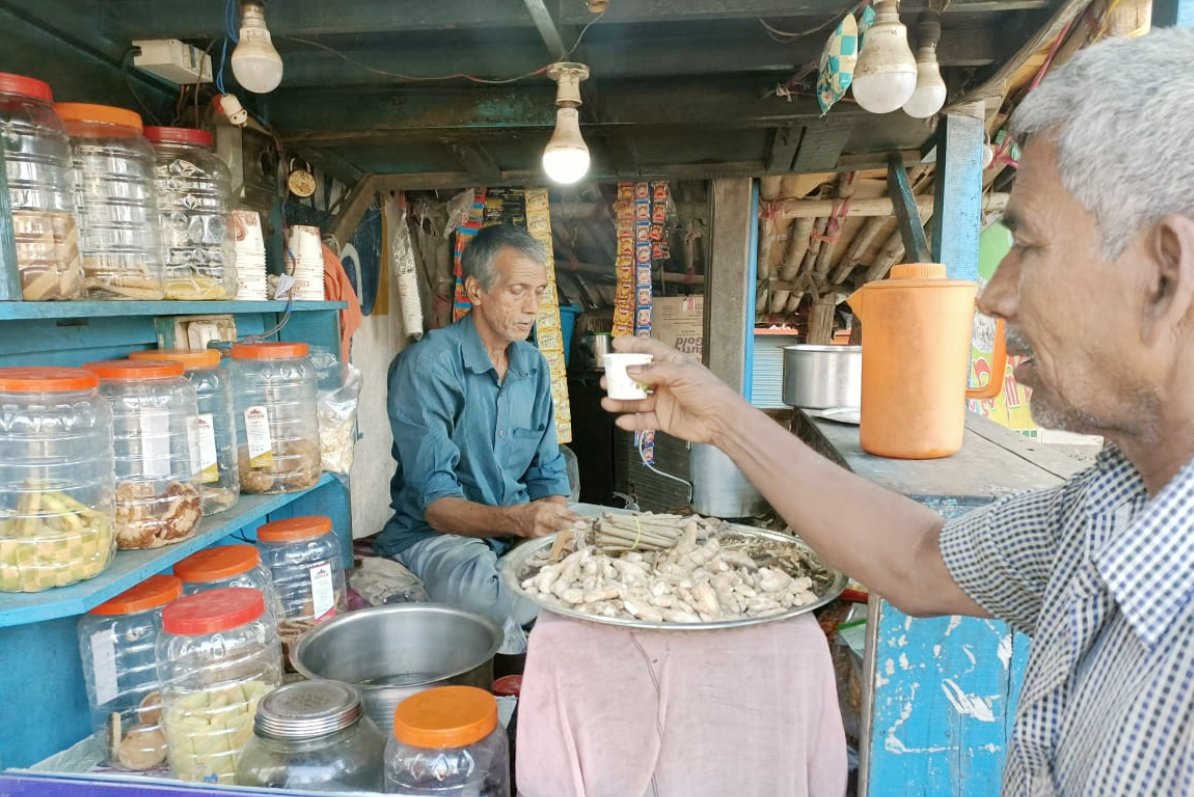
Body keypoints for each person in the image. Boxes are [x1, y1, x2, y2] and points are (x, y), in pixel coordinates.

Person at [604, 29, 1194, 797]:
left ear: (1165, 277)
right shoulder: (1104, 508)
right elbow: (916, 558)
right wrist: (720, 415)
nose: (995, 292)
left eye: (1029, 246)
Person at [376, 225, 576, 653]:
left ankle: (522, 601)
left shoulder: (534, 368)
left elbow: (548, 476)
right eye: (517, 290)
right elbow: (438, 507)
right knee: (481, 598)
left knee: (609, 547)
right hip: (440, 537)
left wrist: (541, 534)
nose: (531, 308)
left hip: (516, 531)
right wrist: (522, 523)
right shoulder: (429, 365)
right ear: (476, 290)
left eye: (538, 292)